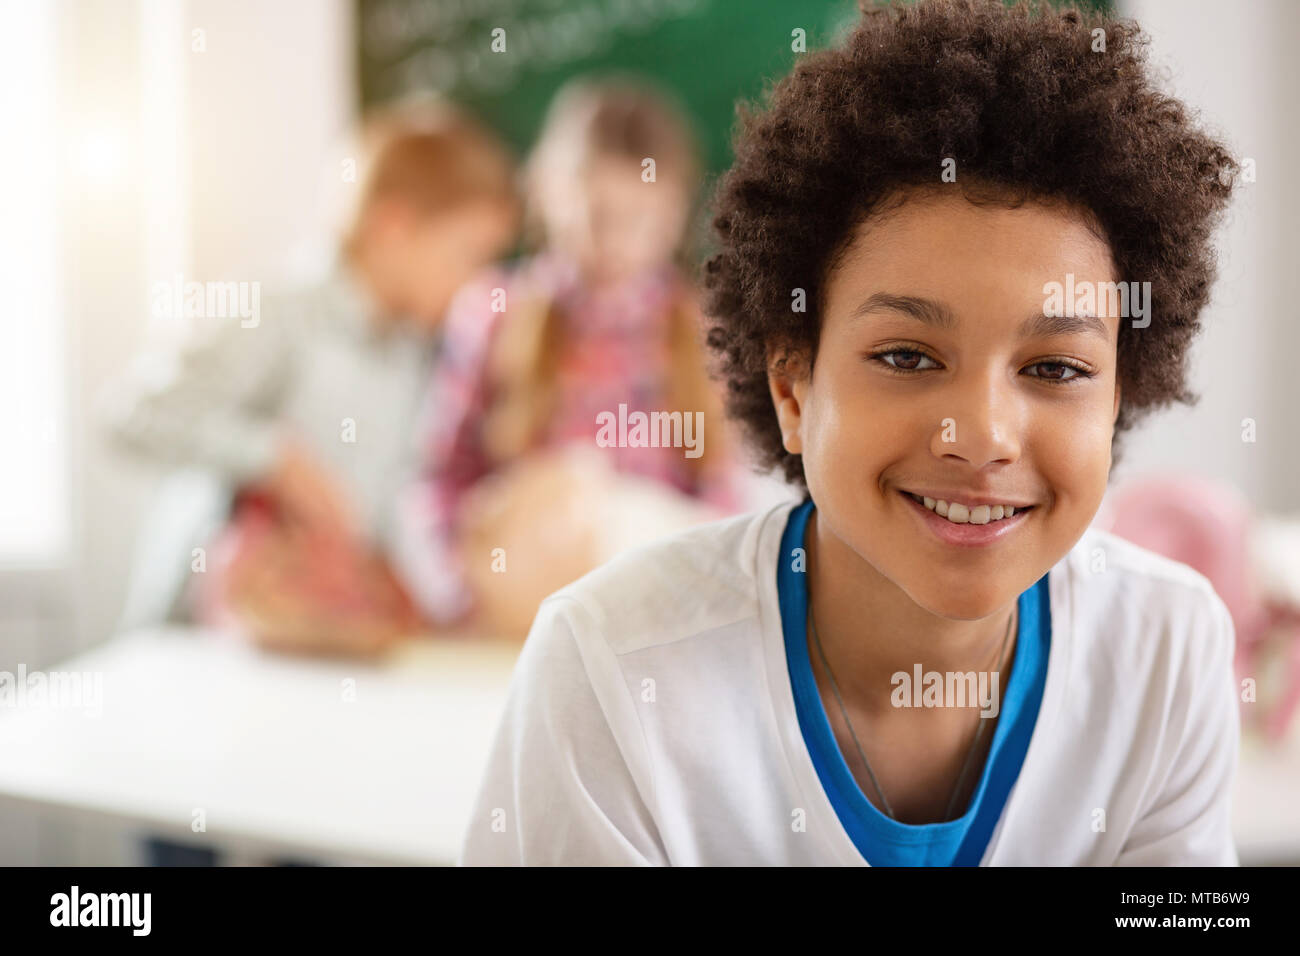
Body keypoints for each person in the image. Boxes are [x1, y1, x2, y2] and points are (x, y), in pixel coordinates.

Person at [458, 0, 1242, 865]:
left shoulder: (1172, 649)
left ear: (1120, 393)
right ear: (792, 385)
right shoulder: (611, 668)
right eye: (908, 356)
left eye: (1055, 368)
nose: (981, 436)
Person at [102, 99, 519, 656]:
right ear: (393, 225)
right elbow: (132, 411)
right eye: (467, 255)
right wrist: (272, 456)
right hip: (199, 641)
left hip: (308, 639)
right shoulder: (279, 309)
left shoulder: (411, 350)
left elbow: (387, 504)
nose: (476, 284)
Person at [393, 78, 745, 641]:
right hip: (518, 621)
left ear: (675, 213)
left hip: (647, 623)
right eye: (594, 217)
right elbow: (437, 477)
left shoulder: (704, 333)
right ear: (546, 193)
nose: (612, 245)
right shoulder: (493, 314)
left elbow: (722, 502)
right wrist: (456, 591)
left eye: (637, 222)